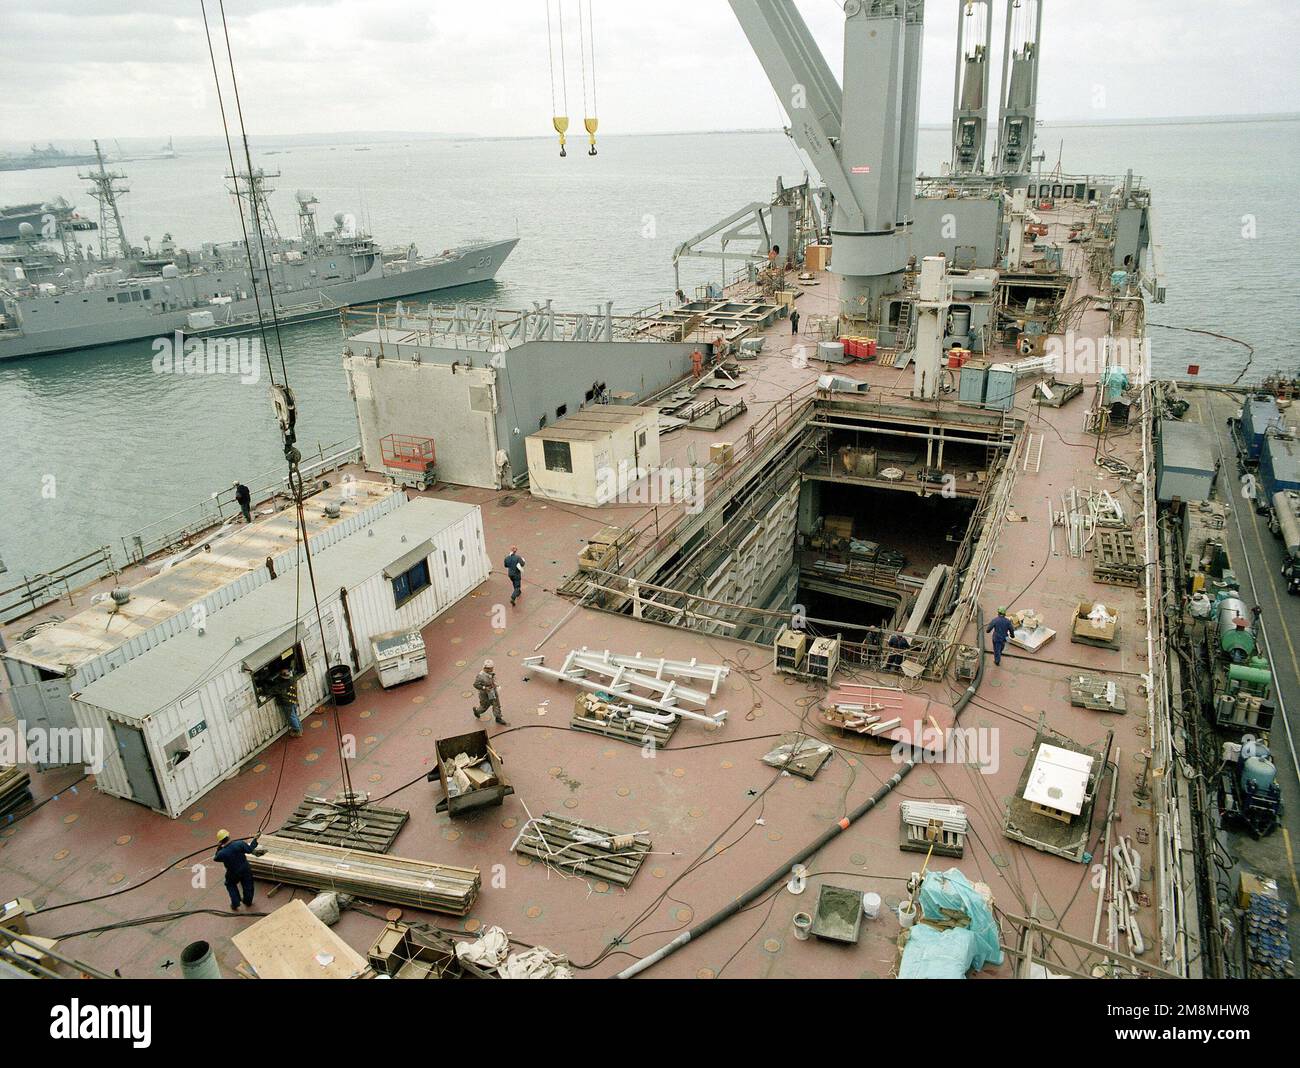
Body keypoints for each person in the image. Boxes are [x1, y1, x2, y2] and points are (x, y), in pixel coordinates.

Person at [214, 829, 264, 911]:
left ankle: (236, 902)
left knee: (230, 885)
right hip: (245, 869)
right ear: (228, 836)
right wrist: (255, 839)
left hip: (232, 872)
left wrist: (219, 848)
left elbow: (216, 858)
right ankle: (248, 901)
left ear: (220, 841)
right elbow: (250, 849)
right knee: (248, 885)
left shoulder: (222, 853)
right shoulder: (239, 844)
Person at [472, 659, 507, 725]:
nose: (492, 669)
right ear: (486, 668)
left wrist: (495, 685)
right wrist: (484, 688)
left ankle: (498, 718)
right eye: (491, 668)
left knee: (496, 704)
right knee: (484, 707)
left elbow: (492, 679)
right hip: (484, 694)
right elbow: (475, 685)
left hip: (492, 691)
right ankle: (477, 711)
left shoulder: (490, 673)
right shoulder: (480, 676)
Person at [272, 668, 302, 736]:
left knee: (292, 717)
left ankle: (297, 731)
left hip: (287, 702)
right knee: (294, 715)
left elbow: (277, 692)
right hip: (293, 699)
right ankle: (299, 728)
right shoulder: (292, 680)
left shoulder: (282, 684)